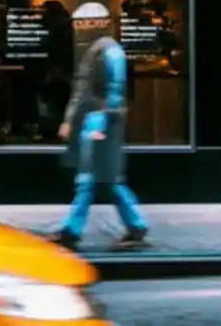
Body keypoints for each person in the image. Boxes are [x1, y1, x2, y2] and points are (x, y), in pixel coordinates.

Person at [50, 34, 149, 250]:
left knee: (96, 179)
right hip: (97, 120)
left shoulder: (109, 52)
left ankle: (73, 230)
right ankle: (133, 225)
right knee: (99, 179)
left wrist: (104, 121)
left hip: (101, 121)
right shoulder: (102, 51)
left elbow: (113, 88)